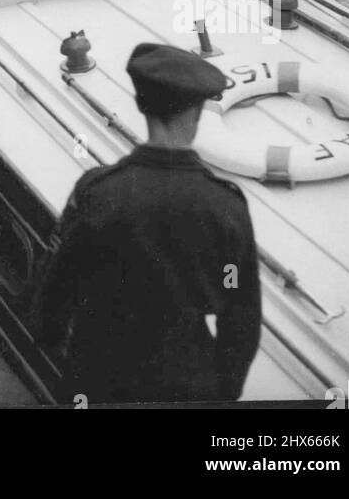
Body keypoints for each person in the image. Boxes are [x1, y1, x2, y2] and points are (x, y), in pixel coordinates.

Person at [35, 42, 261, 405]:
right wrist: (223, 391)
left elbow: (60, 281)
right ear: (198, 110)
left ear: (141, 105)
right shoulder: (225, 205)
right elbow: (241, 316)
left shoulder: (98, 190)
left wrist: (54, 341)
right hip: (186, 378)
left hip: (98, 374)